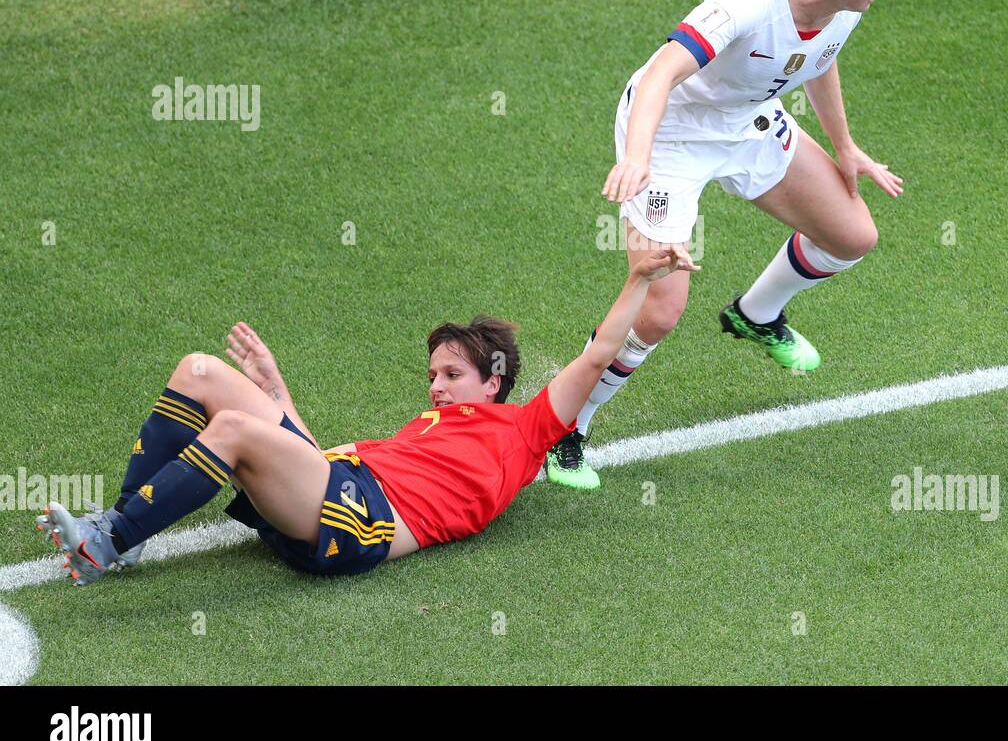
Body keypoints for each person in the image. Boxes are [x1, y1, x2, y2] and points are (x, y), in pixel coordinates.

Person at [545, 0, 904, 490]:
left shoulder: (842, 8)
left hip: (747, 122)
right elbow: (661, 72)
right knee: (659, 309)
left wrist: (844, 146)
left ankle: (756, 314)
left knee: (853, 236)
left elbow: (818, 62)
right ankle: (568, 426)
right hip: (670, 138)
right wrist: (636, 157)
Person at [38, 249, 697, 583]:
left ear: (494, 381)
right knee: (199, 372)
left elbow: (598, 356)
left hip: (357, 531)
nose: (436, 387)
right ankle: (128, 523)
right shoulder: (424, 430)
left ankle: (107, 544)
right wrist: (279, 392)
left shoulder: (524, 431)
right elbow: (318, 465)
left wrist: (638, 278)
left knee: (235, 431)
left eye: (452, 375)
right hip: (335, 497)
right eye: (433, 374)